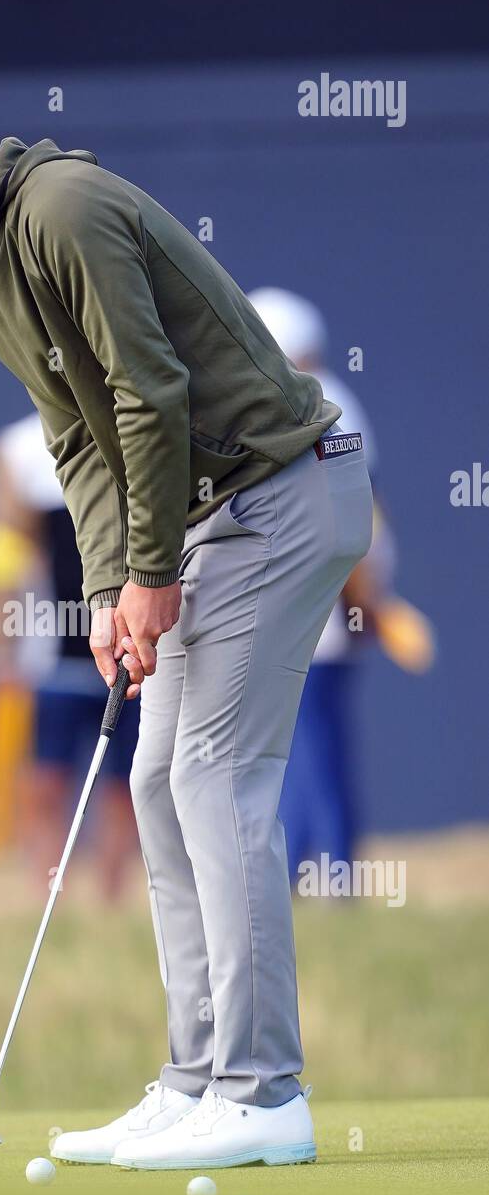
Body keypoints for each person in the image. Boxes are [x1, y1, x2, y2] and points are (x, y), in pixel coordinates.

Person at [0, 68, 373, 1170]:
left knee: (214, 780)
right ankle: (196, 1076)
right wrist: (111, 590)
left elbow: (147, 392)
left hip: (284, 494)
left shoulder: (61, 208)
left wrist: (150, 569)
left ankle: (265, 1093)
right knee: (156, 779)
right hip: (218, 518)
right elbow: (78, 444)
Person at [0, 410, 141, 903]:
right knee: (45, 782)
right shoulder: (20, 448)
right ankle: (48, 895)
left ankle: (112, 899)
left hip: (133, 652)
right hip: (53, 657)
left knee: (125, 785)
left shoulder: (137, 426)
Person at [247, 288, 383, 890]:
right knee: (298, 748)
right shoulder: (296, 406)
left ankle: (322, 870)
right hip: (302, 617)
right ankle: (310, 868)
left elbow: (350, 520)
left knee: (307, 748)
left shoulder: (328, 409)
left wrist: (362, 601)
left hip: (316, 622)